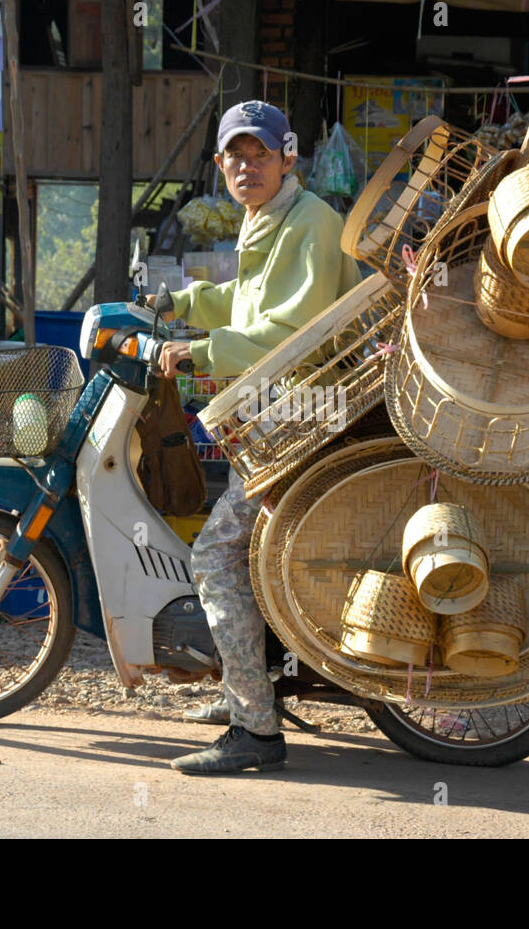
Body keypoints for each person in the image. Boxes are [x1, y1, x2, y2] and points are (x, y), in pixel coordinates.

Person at [150, 100, 360, 774]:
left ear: (286, 158)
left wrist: (201, 352)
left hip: (303, 414)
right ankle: (247, 693)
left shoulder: (313, 224)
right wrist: (178, 306)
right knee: (241, 557)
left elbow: (289, 333)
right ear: (220, 166)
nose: (247, 166)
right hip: (275, 413)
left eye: (260, 154)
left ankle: (257, 733)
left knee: (214, 557)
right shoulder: (273, 219)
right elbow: (249, 301)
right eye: (235, 156)